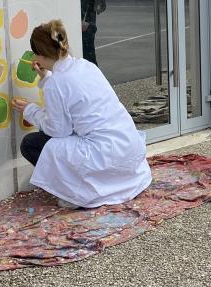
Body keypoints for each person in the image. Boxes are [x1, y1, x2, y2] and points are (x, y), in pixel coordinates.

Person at [12, 20, 151, 208]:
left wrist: (30, 111)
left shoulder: (56, 83)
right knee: (67, 137)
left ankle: (76, 194)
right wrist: (46, 78)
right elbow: (71, 95)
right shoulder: (86, 66)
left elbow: (58, 130)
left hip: (104, 154)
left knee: (30, 144)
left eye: (35, 53)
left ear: (41, 55)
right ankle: (96, 186)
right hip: (128, 148)